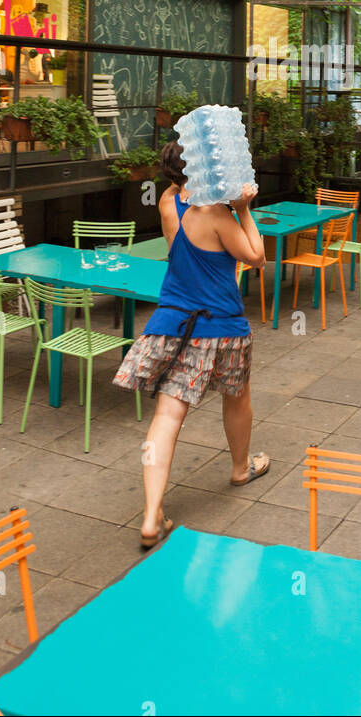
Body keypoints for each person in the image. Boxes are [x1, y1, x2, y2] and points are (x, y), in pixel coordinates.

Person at [114, 139, 269, 550]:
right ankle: (240, 468)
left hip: (173, 322)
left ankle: (151, 517)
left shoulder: (168, 201)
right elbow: (256, 257)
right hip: (222, 325)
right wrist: (243, 209)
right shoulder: (216, 215)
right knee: (237, 395)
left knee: (166, 417)